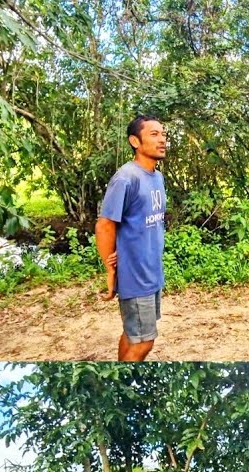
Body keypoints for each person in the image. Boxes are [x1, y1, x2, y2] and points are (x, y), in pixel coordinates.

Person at [96, 115, 168, 361]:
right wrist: (110, 270)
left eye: (163, 134)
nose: (162, 140)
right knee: (144, 342)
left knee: (132, 334)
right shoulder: (126, 177)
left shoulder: (157, 177)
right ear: (135, 141)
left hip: (151, 273)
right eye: (154, 134)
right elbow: (105, 225)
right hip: (135, 276)